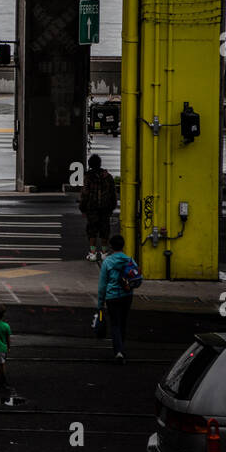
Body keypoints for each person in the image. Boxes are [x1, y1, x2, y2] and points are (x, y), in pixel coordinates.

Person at [97, 234, 139, 364]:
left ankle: (118, 351)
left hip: (112, 297)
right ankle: (122, 347)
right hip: (127, 296)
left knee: (115, 323)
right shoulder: (130, 260)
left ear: (111, 246)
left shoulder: (107, 262)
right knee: (123, 322)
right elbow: (136, 277)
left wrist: (100, 303)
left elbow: (102, 285)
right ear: (123, 245)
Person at [79, 154, 118, 261]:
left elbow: (85, 194)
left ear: (90, 164)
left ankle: (92, 253)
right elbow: (113, 194)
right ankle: (104, 253)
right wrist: (112, 207)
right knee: (105, 230)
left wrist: (82, 208)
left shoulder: (88, 177)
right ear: (100, 163)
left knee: (92, 230)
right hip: (105, 208)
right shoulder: (108, 176)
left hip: (92, 209)